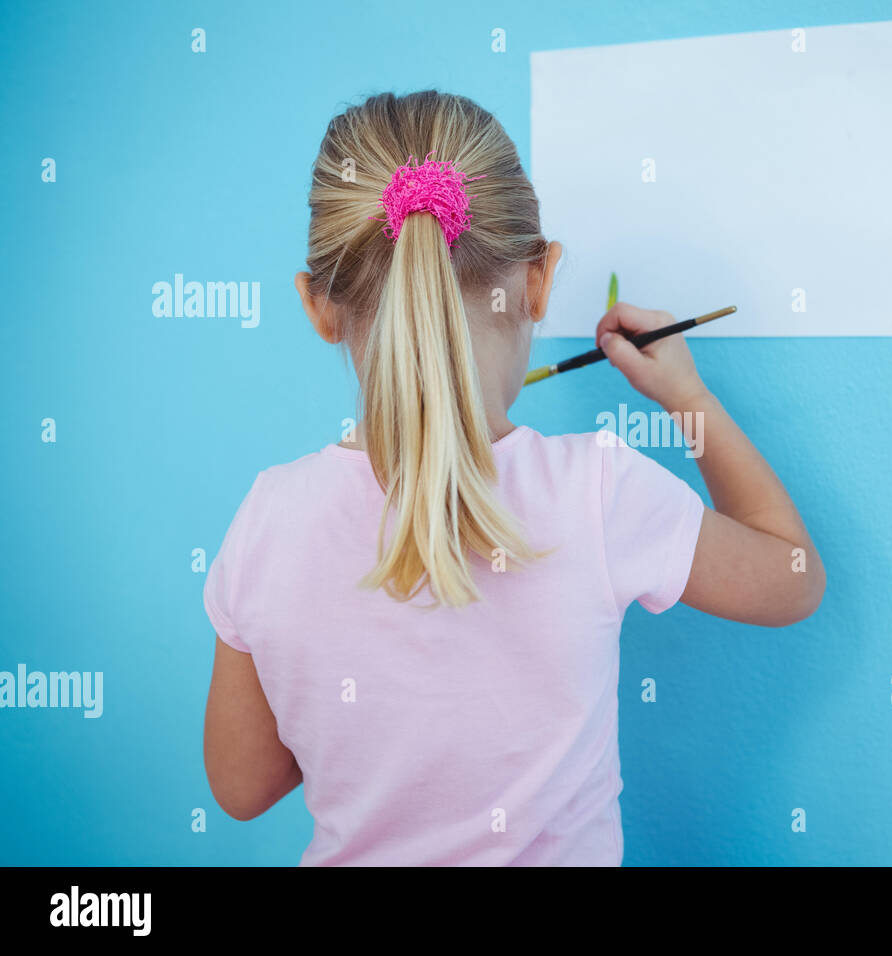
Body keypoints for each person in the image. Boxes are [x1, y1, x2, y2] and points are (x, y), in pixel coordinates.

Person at [202, 89, 824, 865]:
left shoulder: (272, 515)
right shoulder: (598, 491)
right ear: (540, 278)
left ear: (318, 308)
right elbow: (792, 579)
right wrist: (688, 399)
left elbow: (241, 785)